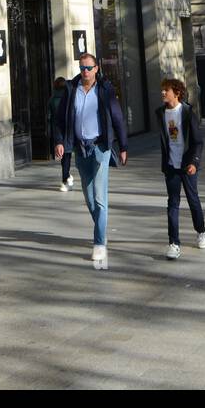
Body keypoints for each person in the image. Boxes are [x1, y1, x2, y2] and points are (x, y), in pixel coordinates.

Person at [54, 52, 128, 270]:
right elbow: (59, 120)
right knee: (88, 198)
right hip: (80, 148)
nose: (85, 72)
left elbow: (117, 117)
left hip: (100, 147)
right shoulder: (70, 90)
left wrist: (123, 146)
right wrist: (59, 141)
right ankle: (101, 229)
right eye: (82, 68)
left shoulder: (105, 89)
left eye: (89, 68)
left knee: (99, 196)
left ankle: (99, 242)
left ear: (96, 68)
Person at [156, 78, 205, 260]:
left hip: (187, 166)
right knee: (172, 203)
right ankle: (173, 243)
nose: (163, 93)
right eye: (162, 90)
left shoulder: (187, 112)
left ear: (176, 93)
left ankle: (201, 231)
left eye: (166, 90)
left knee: (193, 200)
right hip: (171, 166)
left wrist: (194, 162)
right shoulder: (160, 113)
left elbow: (198, 142)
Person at [48, 77, 73, 191]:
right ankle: (66, 178)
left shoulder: (52, 99)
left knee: (64, 156)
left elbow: (49, 117)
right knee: (66, 155)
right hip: (69, 129)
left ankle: (66, 177)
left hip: (57, 130)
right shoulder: (68, 97)